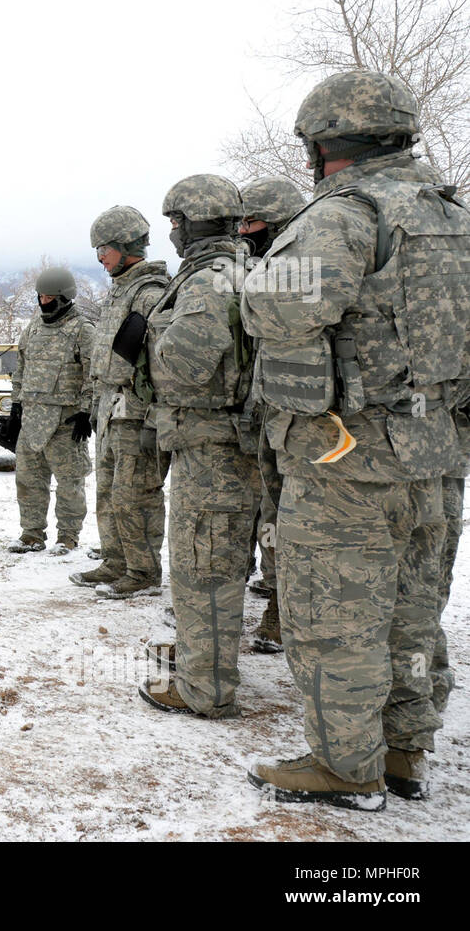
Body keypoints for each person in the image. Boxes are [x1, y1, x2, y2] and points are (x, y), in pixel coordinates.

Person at [242, 69, 470, 808]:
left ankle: (346, 767)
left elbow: (276, 315)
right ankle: (405, 752)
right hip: (435, 454)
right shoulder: (453, 214)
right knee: (412, 612)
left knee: (336, 618)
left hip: (347, 458)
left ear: (327, 142)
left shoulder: (346, 214)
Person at [134, 174, 259, 720]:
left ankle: (203, 686)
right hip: (228, 441)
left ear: (190, 224)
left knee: (203, 565)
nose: (173, 236)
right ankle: (199, 658)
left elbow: (184, 364)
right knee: (220, 559)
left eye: (175, 224)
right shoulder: (244, 268)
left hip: (214, 446)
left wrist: (144, 343)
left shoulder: (210, 281)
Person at [72, 206, 171, 595]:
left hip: (137, 409)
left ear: (126, 246)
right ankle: (117, 562)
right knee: (110, 492)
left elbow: (162, 363)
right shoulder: (121, 291)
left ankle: (144, 572)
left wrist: (152, 419)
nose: (100, 258)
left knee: (136, 495)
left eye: (105, 249)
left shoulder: (150, 294)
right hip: (112, 408)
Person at [238, 175, 306, 654]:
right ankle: (275, 601)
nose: (243, 231)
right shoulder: (259, 272)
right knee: (269, 516)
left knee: (291, 523)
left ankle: (283, 615)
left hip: (308, 426)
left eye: (252, 221)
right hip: (267, 418)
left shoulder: (304, 270)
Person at [6, 267, 94, 556]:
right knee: (29, 480)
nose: (43, 302)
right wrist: (16, 404)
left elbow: (94, 375)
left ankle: (68, 535)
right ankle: (31, 533)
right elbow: (20, 368)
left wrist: (86, 411)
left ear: (65, 298)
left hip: (66, 421)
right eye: (40, 296)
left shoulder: (83, 329)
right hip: (32, 418)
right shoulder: (32, 328)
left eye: (49, 297)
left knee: (69, 483)